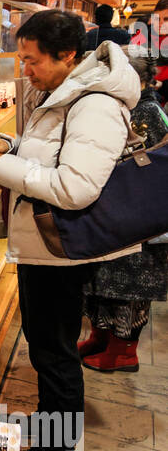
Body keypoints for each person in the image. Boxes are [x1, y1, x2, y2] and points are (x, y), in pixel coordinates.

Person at [0, 10, 140, 451]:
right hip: (45, 246)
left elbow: (76, 186)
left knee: (54, 348)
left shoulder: (96, 103)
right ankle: (50, 434)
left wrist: (4, 170)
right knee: (47, 344)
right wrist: (10, 143)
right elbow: (49, 148)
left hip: (60, 250)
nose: (26, 70)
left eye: (32, 61)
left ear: (67, 56)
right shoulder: (69, 91)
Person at [78, 56, 168, 371]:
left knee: (129, 287)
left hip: (141, 219)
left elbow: (139, 162)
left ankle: (124, 352)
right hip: (124, 214)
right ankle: (101, 338)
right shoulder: (134, 106)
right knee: (107, 283)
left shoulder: (146, 112)